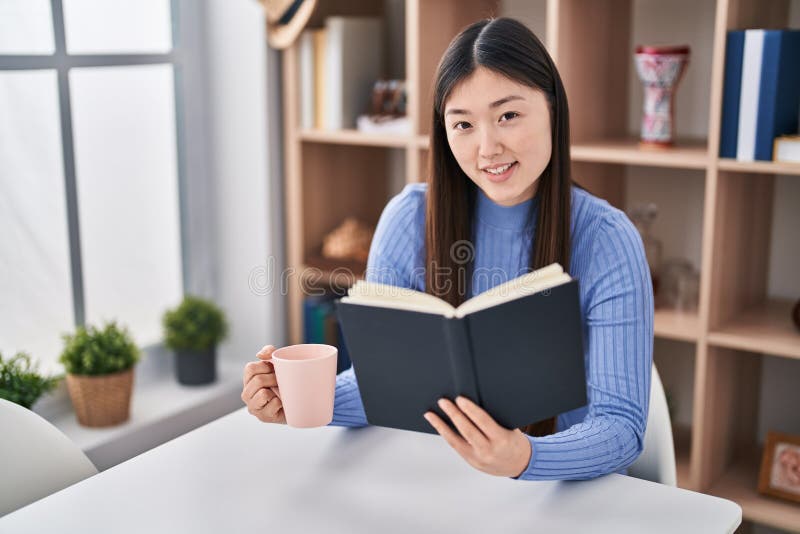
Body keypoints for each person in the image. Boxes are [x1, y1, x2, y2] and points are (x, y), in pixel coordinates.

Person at [241, 17, 653, 481]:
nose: (487, 148)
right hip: (440, 483)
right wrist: (299, 401)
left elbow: (621, 426)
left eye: (508, 116)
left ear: (553, 109)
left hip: (563, 492)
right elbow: (384, 382)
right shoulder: (408, 220)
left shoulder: (606, 238)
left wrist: (526, 458)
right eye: (463, 124)